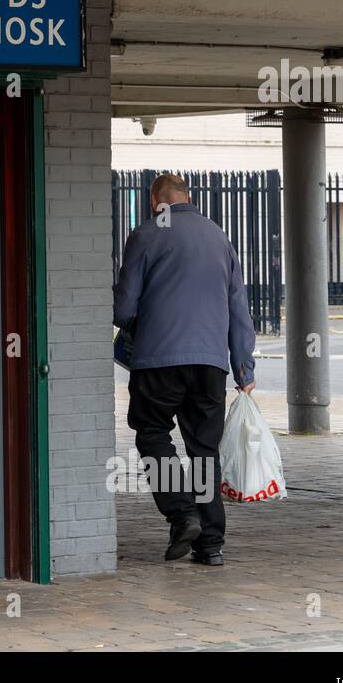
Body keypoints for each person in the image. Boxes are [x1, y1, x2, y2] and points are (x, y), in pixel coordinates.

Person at [113, 173, 256, 566]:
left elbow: (124, 309)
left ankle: (181, 512)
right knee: (204, 450)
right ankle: (210, 544)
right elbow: (239, 309)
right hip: (211, 365)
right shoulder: (218, 236)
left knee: (152, 432)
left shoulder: (145, 235)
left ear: (154, 198)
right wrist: (244, 368)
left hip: (159, 360)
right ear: (187, 196)